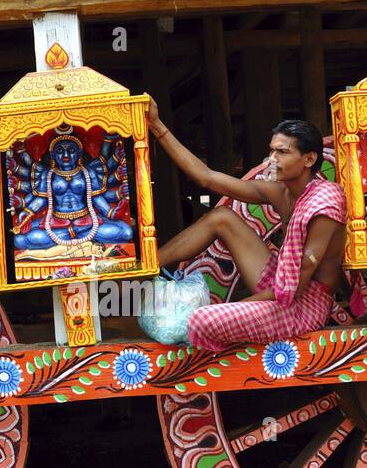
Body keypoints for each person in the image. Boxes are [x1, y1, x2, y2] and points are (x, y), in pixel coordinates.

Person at [148, 103, 346, 351]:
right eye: (271, 151)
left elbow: (295, 287)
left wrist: (241, 306)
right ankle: (146, 267)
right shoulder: (279, 192)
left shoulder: (323, 201)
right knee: (222, 217)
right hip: (280, 285)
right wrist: (156, 125)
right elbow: (206, 177)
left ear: (309, 159)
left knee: (200, 319)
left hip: (303, 305)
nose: (271, 160)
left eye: (282, 153)